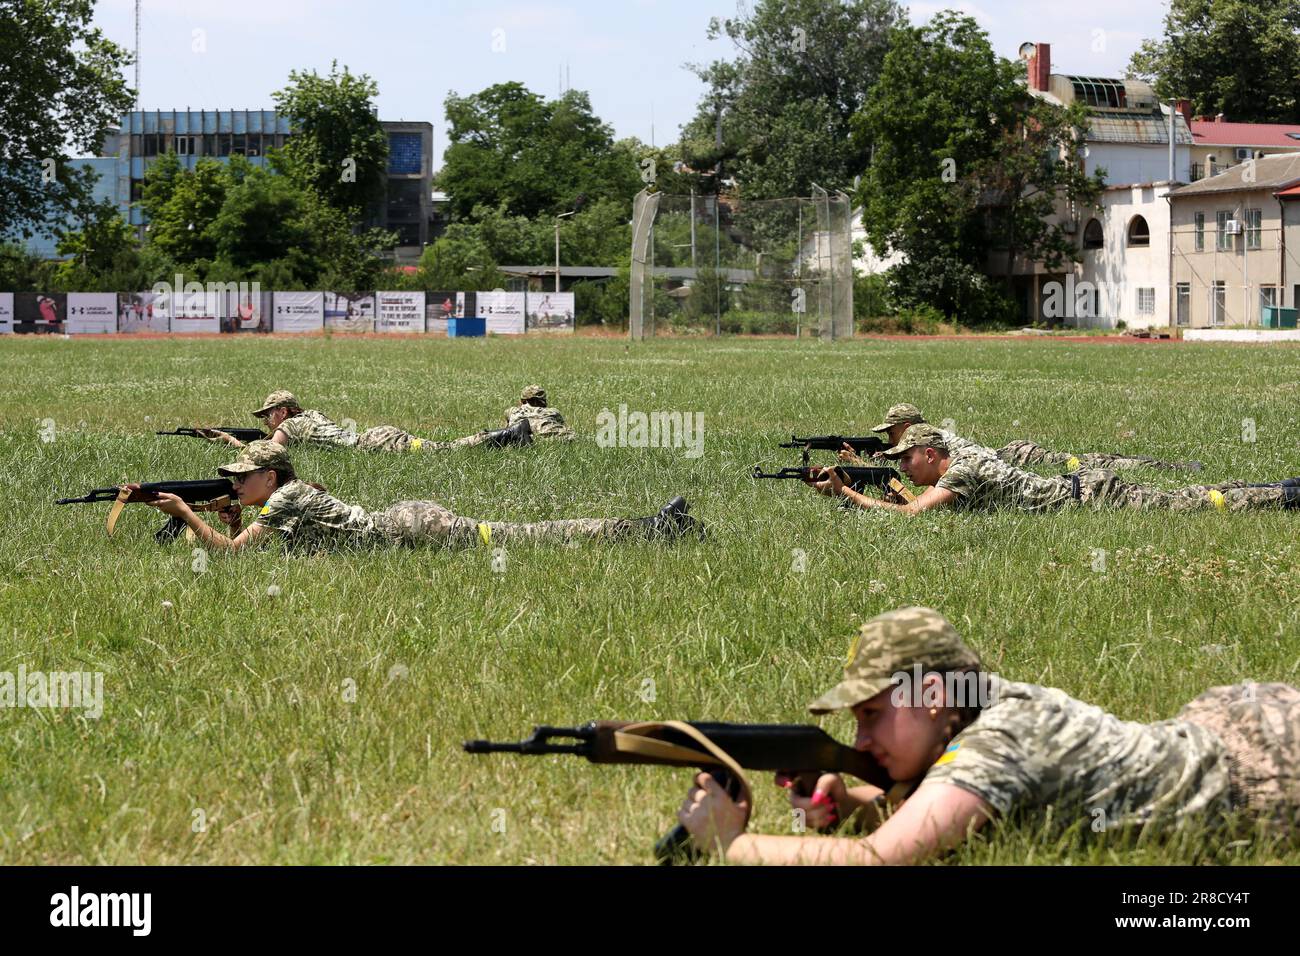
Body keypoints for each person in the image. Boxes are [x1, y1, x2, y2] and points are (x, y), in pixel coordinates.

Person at [676, 607, 1300, 864]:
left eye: (870, 714)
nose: (860, 738)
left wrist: (729, 843)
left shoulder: (997, 742)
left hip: (1271, 770)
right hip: (1215, 726)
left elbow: (876, 862)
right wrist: (850, 804)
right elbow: (934, 819)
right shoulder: (973, 714)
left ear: (935, 697)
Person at [139, 440, 705, 552]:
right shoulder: (288, 497)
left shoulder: (285, 500)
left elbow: (234, 551)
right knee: (531, 535)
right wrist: (232, 507)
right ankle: (649, 526)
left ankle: (652, 528)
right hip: (407, 519)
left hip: (413, 528)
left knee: (536, 536)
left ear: (273, 478)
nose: (236, 485)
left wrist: (186, 512)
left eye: (244, 478)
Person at [812, 423, 1300, 515]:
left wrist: (847, 494)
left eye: (907, 459)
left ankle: (1282, 495)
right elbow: (912, 500)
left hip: (1092, 496)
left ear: (933, 455)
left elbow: (914, 516)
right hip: (1082, 491)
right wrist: (864, 483)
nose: (903, 466)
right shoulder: (949, 470)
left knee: (1193, 502)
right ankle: (1273, 488)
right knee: (1193, 495)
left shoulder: (959, 472)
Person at [840, 404, 1203, 473]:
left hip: (1018, 459)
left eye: (891, 431)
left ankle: (1172, 466)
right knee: (1093, 460)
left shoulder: (934, 441)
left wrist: (860, 466)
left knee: (1093, 461)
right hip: (1011, 456)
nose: (888, 438)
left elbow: (907, 469)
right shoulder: (923, 442)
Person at [202, 390, 533, 453]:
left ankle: (505, 436)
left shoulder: (289, 426)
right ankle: (502, 437)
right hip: (376, 437)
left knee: (444, 450)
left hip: (375, 444)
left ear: (285, 412)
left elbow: (271, 453)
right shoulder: (310, 415)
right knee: (439, 448)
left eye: (269, 414)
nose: (268, 420)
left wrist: (230, 441)